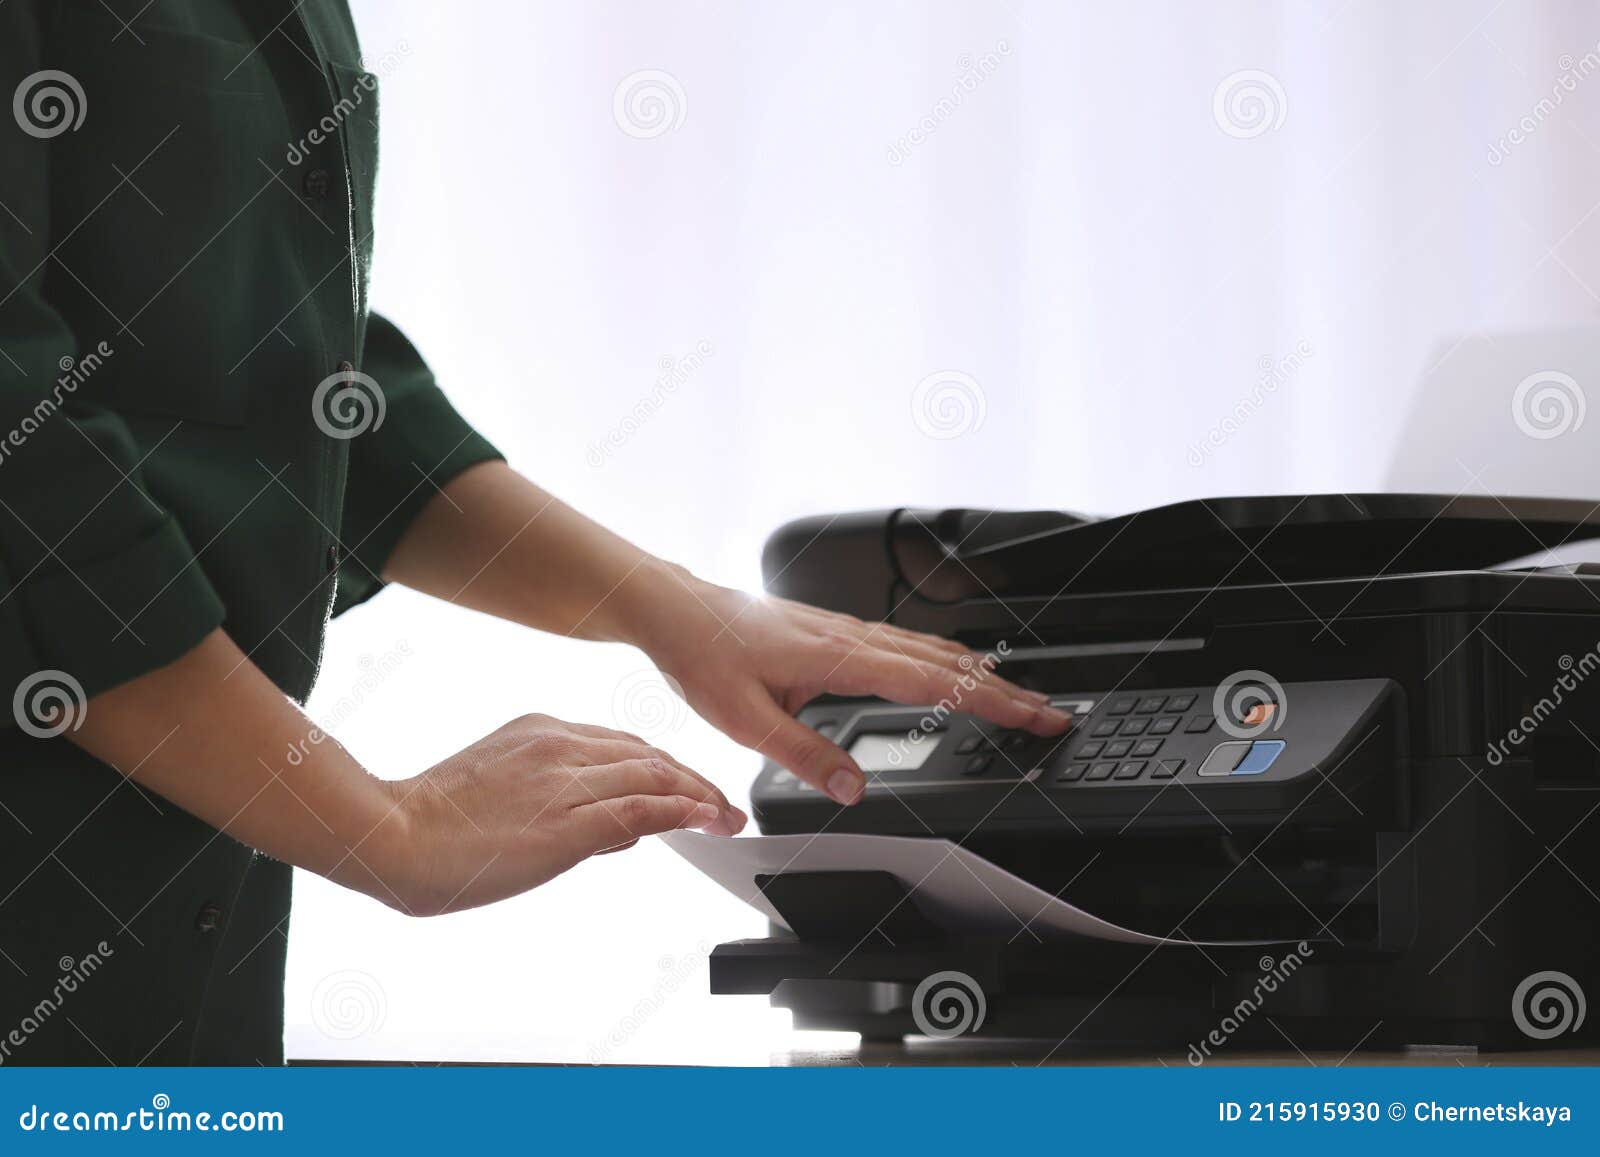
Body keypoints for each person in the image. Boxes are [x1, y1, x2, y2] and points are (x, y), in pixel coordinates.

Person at [0, 1, 1069, 1065]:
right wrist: (387, 826)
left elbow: (298, 374)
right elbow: (22, 461)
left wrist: (670, 605)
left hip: (181, 948)